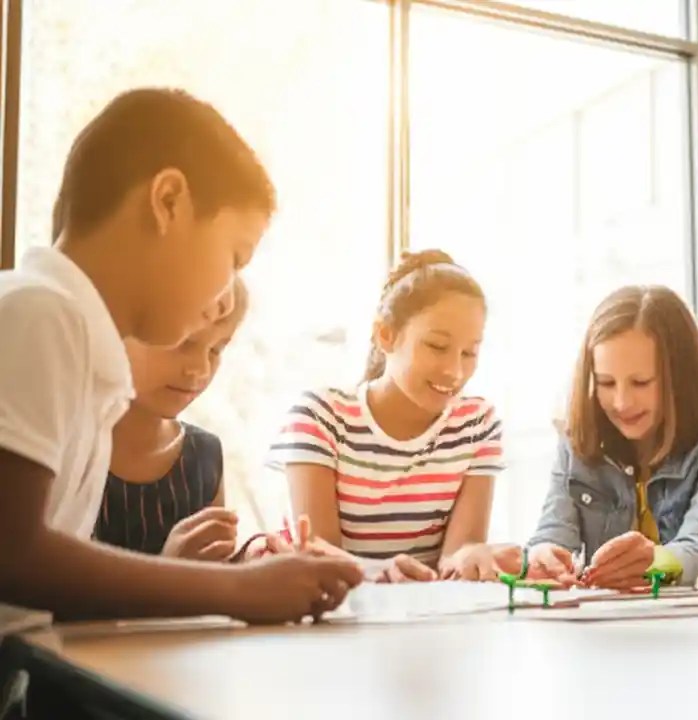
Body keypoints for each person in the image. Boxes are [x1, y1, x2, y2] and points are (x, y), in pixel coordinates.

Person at [0, 88, 361, 623]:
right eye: (235, 257)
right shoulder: (40, 313)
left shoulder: (83, 352)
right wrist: (235, 590)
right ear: (168, 201)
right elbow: (13, 553)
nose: (224, 294)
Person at [270, 250, 509, 582]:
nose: (455, 371)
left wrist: (478, 558)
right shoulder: (320, 416)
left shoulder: (477, 424)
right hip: (329, 611)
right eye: (437, 346)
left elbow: (455, 563)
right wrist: (378, 572)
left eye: (470, 353)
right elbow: (316, 550)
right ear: (386, 335)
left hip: (425, 615)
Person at [525, 286, 698, 588]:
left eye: (641, 383)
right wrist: (542, 557)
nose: (621, 402)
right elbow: (552, 534)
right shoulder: (578, 443)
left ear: (681, 378)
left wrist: (655, 563)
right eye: (606, 383)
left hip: (692, 630)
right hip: (606, 630)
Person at [95, 278, 250, 559]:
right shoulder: (72, 450)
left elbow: (212, 574)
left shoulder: (205, 455)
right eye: (182, 342)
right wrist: (169, 568)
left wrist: (253, 559)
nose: (200, 369)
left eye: (216, 350)